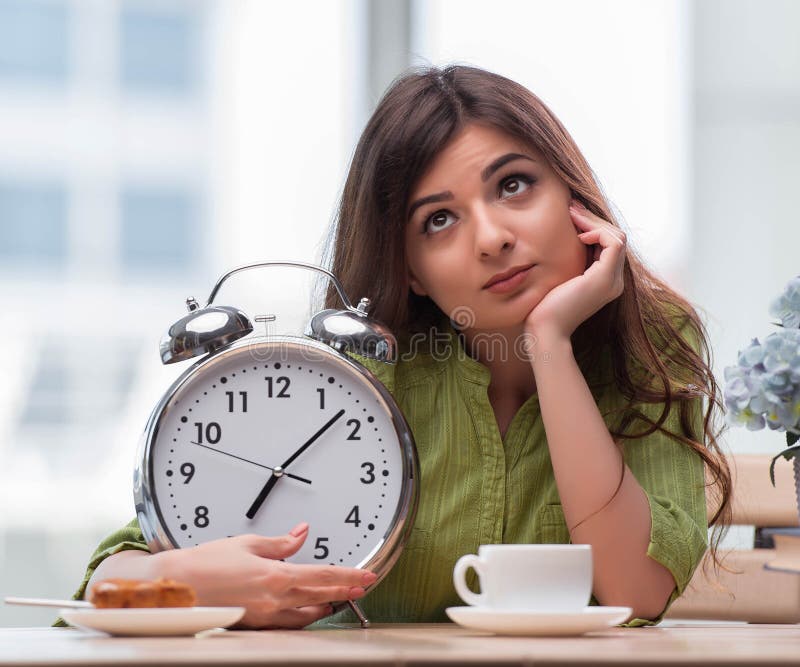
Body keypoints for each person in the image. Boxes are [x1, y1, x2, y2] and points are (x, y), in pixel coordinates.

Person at [62, 65, 732, 629]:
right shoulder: (352, 377)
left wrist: (549, 343)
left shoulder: (654, 343)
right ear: (410, 268)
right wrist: (194, 580)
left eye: (514, 184)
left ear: (572, 195)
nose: (493, 236)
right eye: (439, 220)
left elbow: (636, 591)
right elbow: (110, 578)